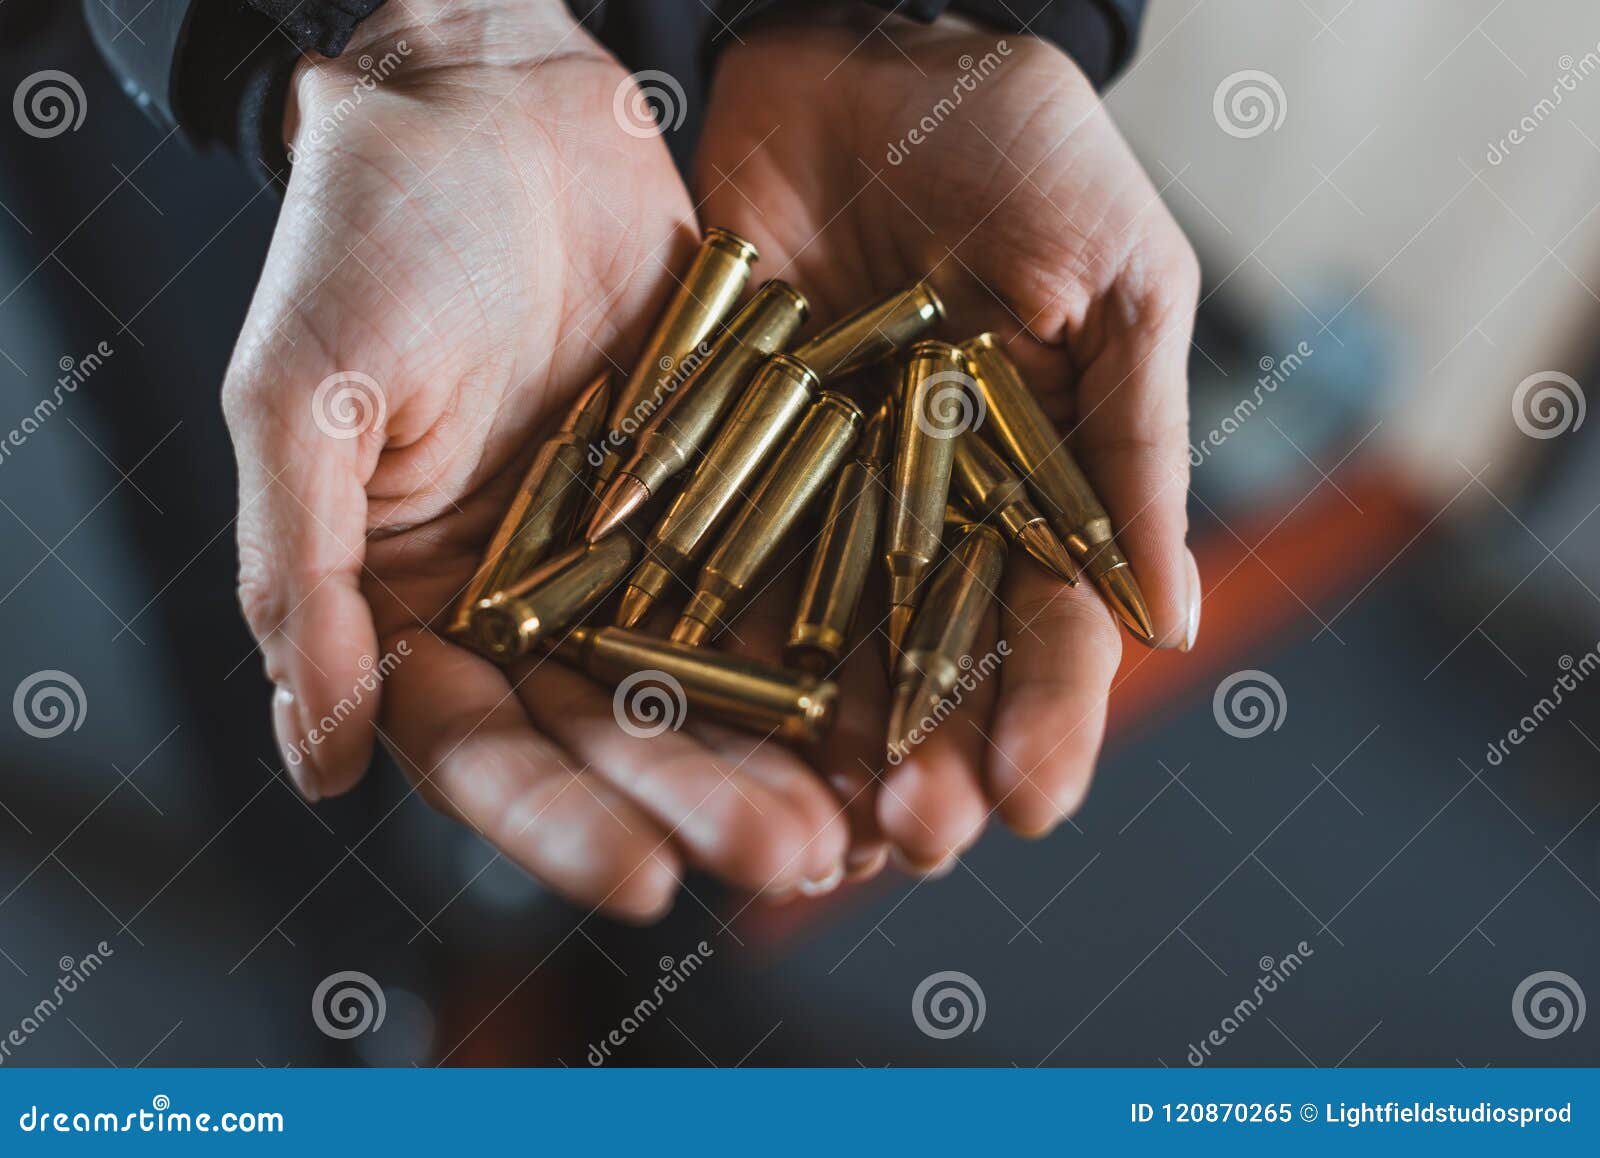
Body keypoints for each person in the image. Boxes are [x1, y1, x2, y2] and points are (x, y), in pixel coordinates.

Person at [85, 0, 1201, 922]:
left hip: (732, 96)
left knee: (697, 806)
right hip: (275, 132)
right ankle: (338, 954)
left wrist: (924, 20)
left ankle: (649, 979)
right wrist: (412, 34)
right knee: (256, 524)